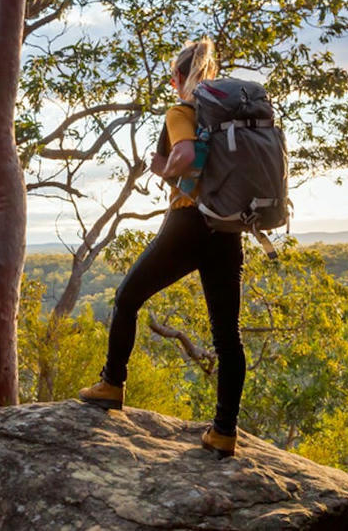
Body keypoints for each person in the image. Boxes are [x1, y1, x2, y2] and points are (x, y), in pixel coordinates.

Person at [78, 38, 245, 458]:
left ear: (178, 78)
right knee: (228, 336)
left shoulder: (182, 111)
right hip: (227, 229)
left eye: (173, 77)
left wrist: (165, 169)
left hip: (189, 223)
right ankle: (224, 432)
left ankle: (112, 384)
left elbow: (185, 156)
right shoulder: (227, 117)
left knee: (126, 297)